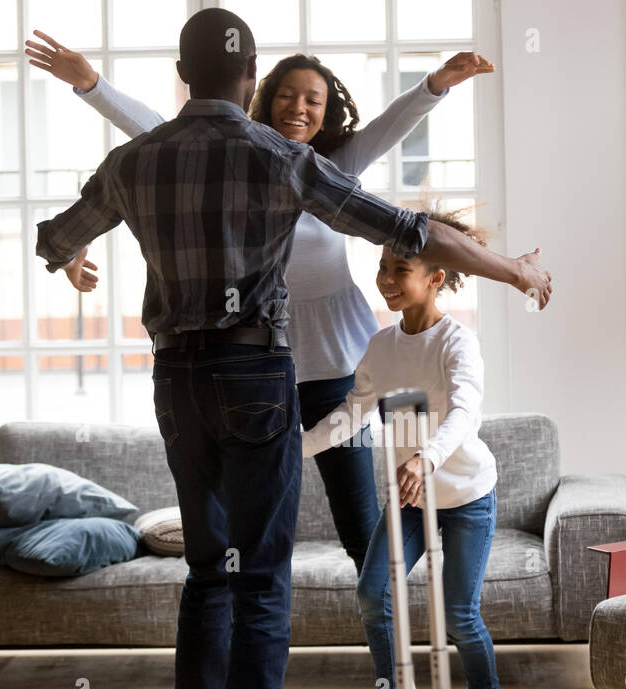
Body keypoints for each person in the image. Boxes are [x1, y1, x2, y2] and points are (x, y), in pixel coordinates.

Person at [35, 8, 552, 689]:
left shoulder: (136, 159)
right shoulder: (277, 157)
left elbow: (54, 235)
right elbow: (409, 231)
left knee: (211, 569)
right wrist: (513, 270)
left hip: (177, 380)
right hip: (256, 375)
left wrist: (72, 262)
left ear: (182, 69)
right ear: (250, 83)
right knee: (263, 577)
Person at [27, 31, 493, 575]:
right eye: (287, 96)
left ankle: (384, 639)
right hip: (258, 367)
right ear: (262, 94)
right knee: (251, 532)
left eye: (313, 100)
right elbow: (152, 132)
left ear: (326, 113)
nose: (299, 108)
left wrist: (435, 85)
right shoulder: (234, 157)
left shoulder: (327, 168)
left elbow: (390, 128)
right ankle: (251, 638)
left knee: (360, 523)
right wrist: (90, 84)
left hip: (339, 367)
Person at [302, 210, 499, 689]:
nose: (386, 279)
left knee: (459, 615)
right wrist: (290, 451)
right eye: (382, 267)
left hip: (465, 497)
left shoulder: (457, 343)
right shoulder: (381, 346)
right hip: (410, 501)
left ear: (437, 277)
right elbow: (350, 413)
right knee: (373, 595)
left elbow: (465, 413)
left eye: (400, 269)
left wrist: (425, 458)